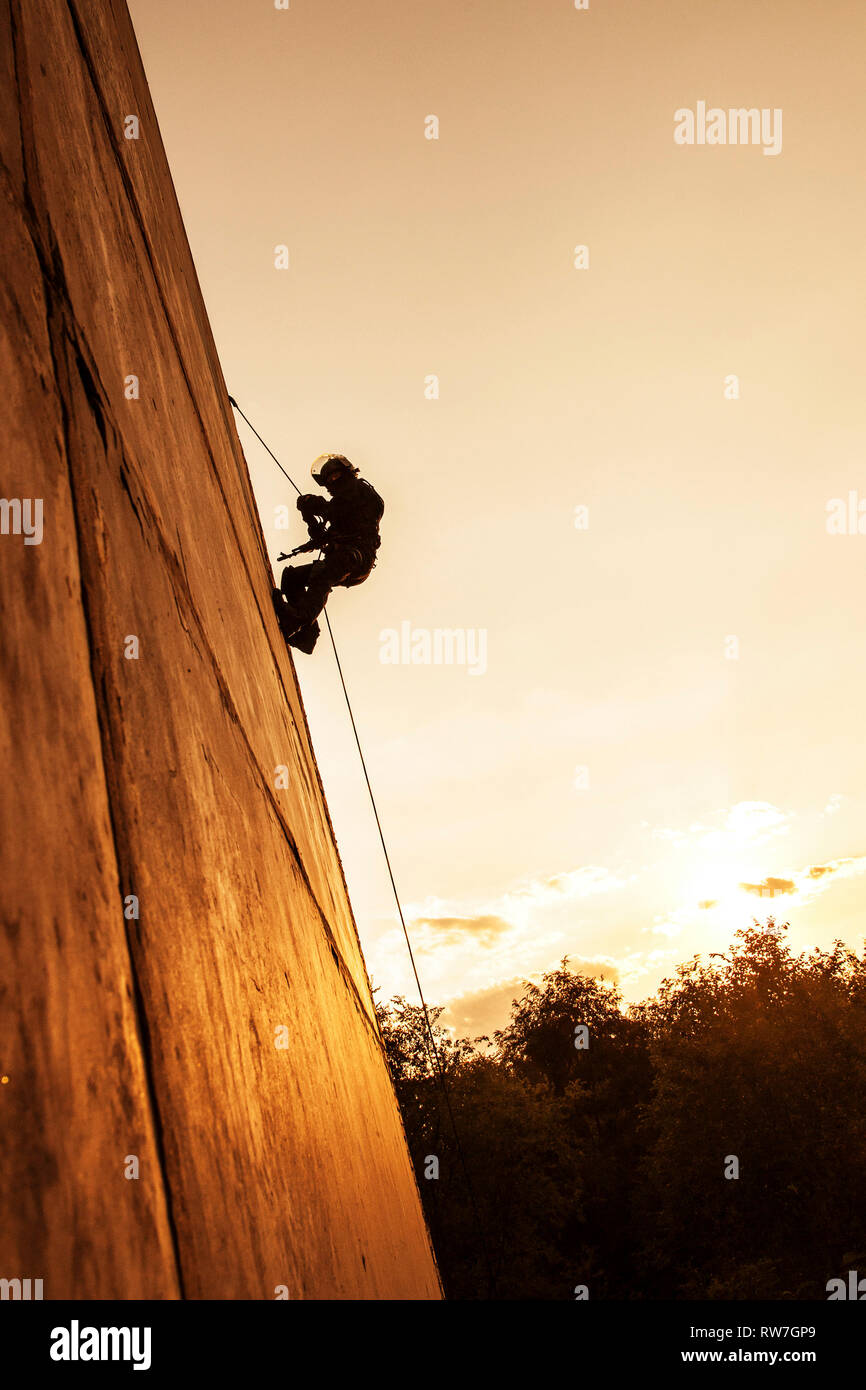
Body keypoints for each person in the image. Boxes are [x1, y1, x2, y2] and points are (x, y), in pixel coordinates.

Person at [272, 454, 384, 652]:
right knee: (292, 578)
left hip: (356, 559)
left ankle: (298, 617)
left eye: (336, 475)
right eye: (329, 480)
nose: (333, 482)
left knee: (326, 572)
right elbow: (322, 535)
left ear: (348, 473)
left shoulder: (363, 494)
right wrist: (309, 517)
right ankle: (307, 635)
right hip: (343, 558)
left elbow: (337, 511)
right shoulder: (339, 507)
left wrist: (316, 505)